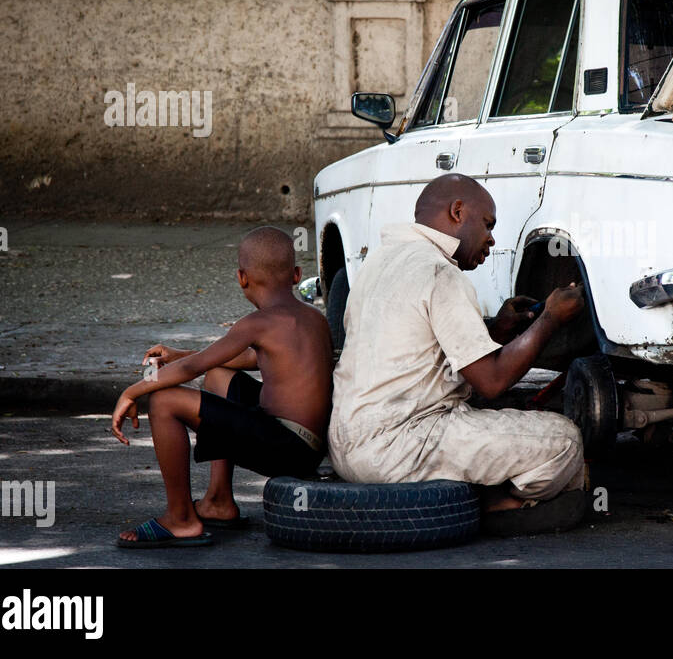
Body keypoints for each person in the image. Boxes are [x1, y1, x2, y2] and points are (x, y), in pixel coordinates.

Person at [329, 173, 590, 532]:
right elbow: (492, 382)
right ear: (457, 212)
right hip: (401, 447)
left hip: (346, 447)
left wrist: (497, 330)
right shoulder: (439, 273)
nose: (491, 238)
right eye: (487, 224)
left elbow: (423, 347)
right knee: (563, 441)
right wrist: (550, 318)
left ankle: (469, 492)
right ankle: (494, 504)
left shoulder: (380, 262)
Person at [110, 226, 333, 548]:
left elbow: (189, 370)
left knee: (164, 402)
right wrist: (182, 354)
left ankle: (181, 519)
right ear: (297, 274)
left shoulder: (257, 322)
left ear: (242, 277)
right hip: (308, 447)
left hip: (285, 448)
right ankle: (218, 500)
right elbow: (248, 358)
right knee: (217, 374)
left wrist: (132, 392)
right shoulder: (313, 318)